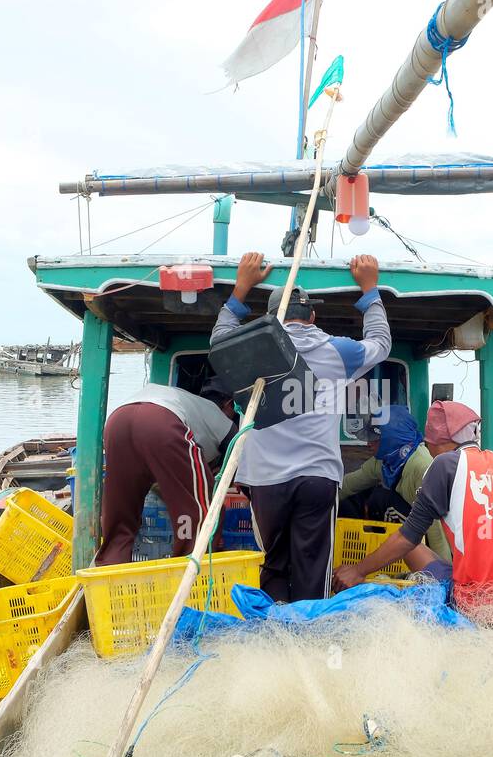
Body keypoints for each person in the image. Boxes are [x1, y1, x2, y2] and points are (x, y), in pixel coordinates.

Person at [212, 252, 391, 602]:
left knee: (274, 565)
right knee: (312, 568)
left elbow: (219, 341)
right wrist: (370, 290)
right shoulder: (337, 350)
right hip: (316, 477)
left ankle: (277, 634)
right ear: (312, 315)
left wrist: (241, 289)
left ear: (271, 317)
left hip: (265, 481)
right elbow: (381, 344)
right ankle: (308, 639)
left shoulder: (249, 349)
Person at [333, 400, 493, 614]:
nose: (428, 450)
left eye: (429, 444)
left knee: (409, 547)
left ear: (438, 442)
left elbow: (406, 539)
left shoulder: (444, 465)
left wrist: (357, 570)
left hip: (480, 603)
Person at [95, 377, 238, 566]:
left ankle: (110, 573)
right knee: (204, 508)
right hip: (161, 422)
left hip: (117, 421)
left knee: (120, 511)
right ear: (229, 405)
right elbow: (238, 453)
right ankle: (192, 571)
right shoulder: (218, 415)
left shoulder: (185, 401)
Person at [338, 404, 451, 562]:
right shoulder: (385, 461)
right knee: (352, 499)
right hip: (416, 526)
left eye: (375, 439)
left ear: (391, 440)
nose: (369, 444)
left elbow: (436, 529)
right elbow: (348, 486)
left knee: (381, 499)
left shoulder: (421, 466)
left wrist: (446, 576)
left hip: (431, 534)